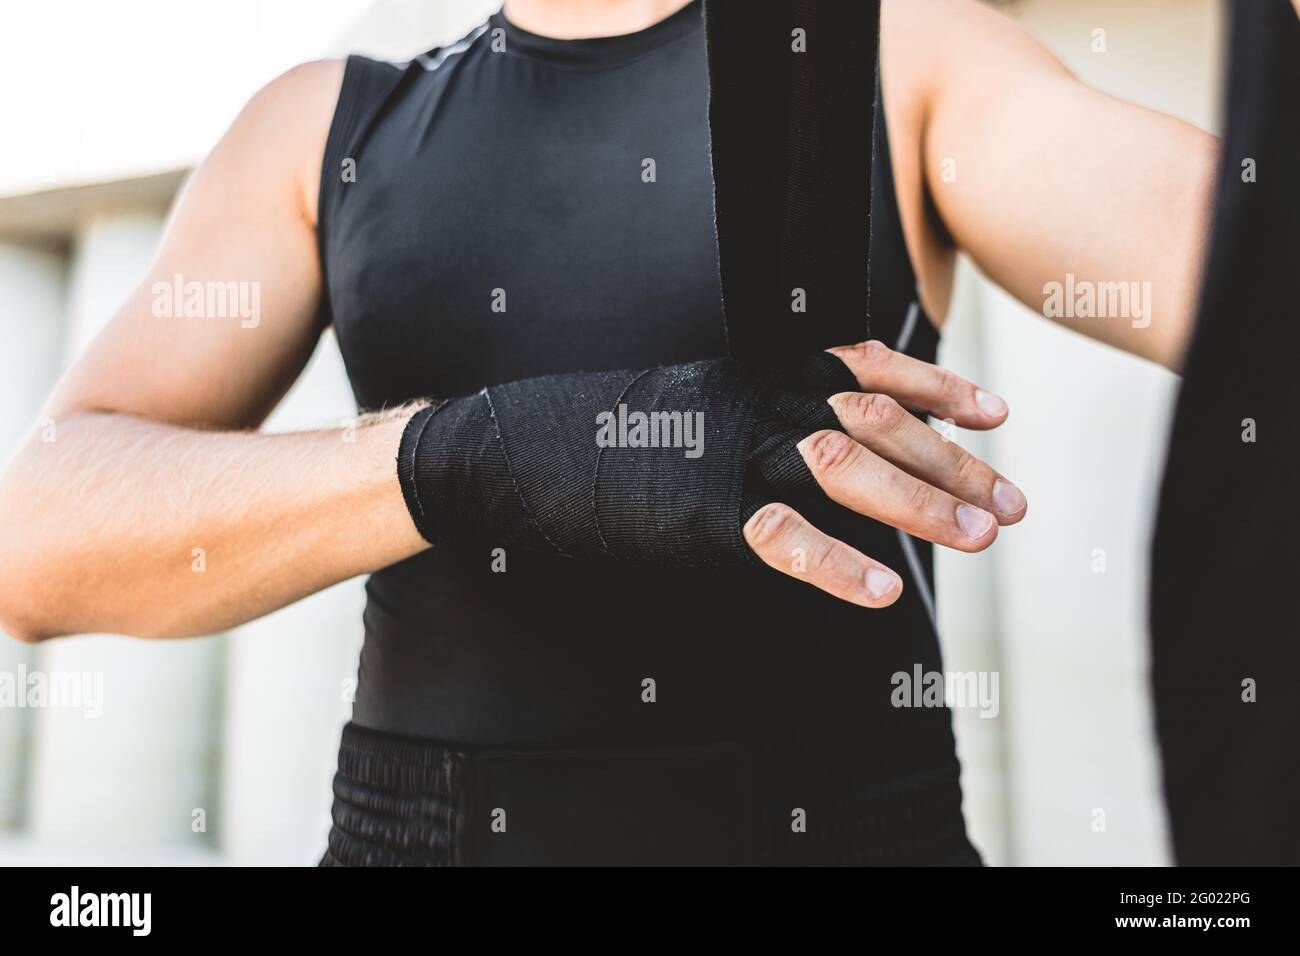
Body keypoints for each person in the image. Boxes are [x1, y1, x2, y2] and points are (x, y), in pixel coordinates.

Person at [0, 0, 1216, 864]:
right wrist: (486, 455)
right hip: (417, 838)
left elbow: (1251, 275)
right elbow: (38, 540)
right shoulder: (325, 128)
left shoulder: (892, 54)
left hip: (838, 828)